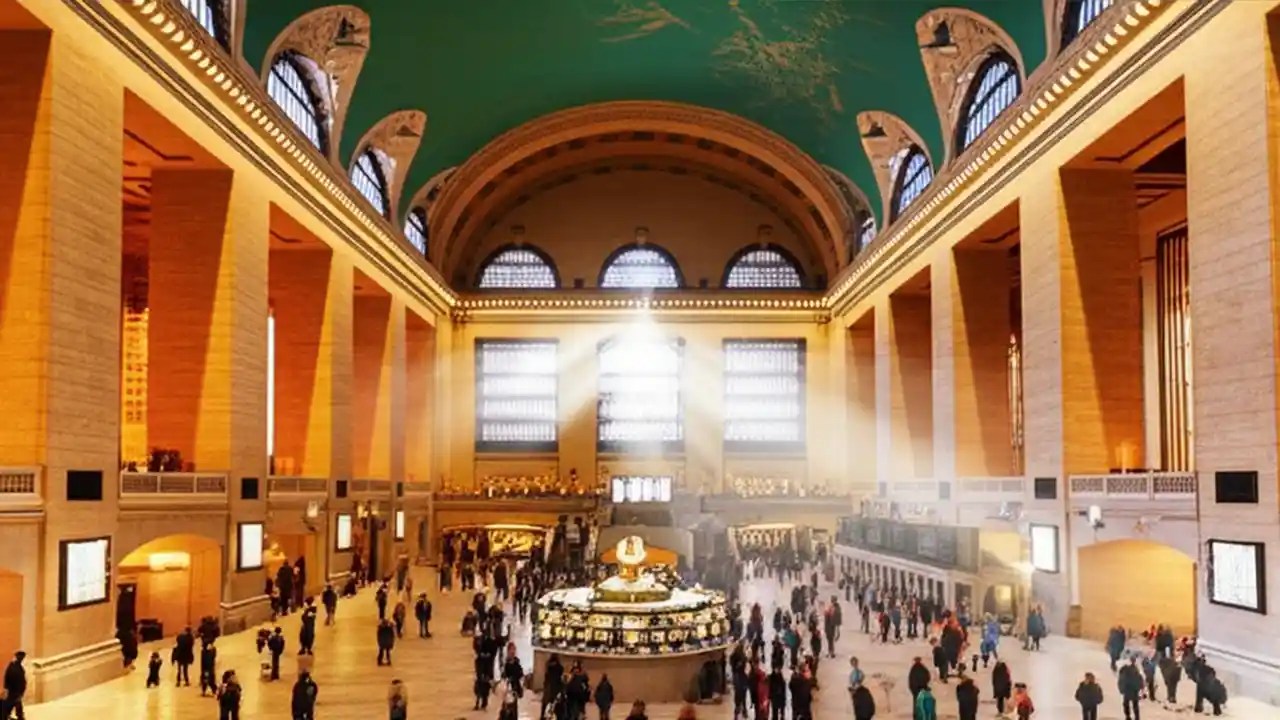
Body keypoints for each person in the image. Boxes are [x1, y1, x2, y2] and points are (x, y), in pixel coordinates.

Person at [1, 651, 25, 720]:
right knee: (10, 706)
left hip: (15, 691)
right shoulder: (13, 666)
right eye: (21, 657)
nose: (22, 659)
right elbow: (7, 677)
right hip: (13, 691)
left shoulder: (18, 667)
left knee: (15, 706)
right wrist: (6, 688)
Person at [1118, 655, 1144, 720]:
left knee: (1126, 704)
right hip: (1134, 691)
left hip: (1128, 690)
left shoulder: (1126, 670)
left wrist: (1121, 689)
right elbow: (1140, 680)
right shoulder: (1136, 670)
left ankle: (1128, 716)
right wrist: (1140, 688)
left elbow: (1122, 680)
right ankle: (1137, 717)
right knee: (1135, 705)